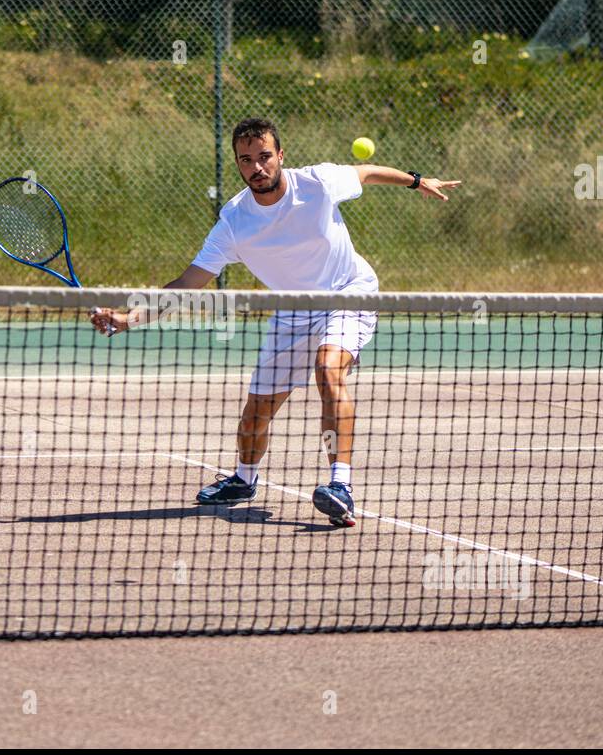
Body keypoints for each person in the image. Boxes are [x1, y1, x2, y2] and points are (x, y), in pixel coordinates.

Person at [90, 118, 460, 527]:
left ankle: (340, 486)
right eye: (246, 160)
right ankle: (244, 479)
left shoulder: (317, 183)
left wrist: (416, 181)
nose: (257, 167)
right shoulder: (234, 221)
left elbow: (366, 172)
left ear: (280, 156)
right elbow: (187, 283)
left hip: (348, 291)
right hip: (293, 310)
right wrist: (128, 319)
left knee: (328, 368)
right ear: (238, 164)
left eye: (264, 156)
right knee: (257, 411)